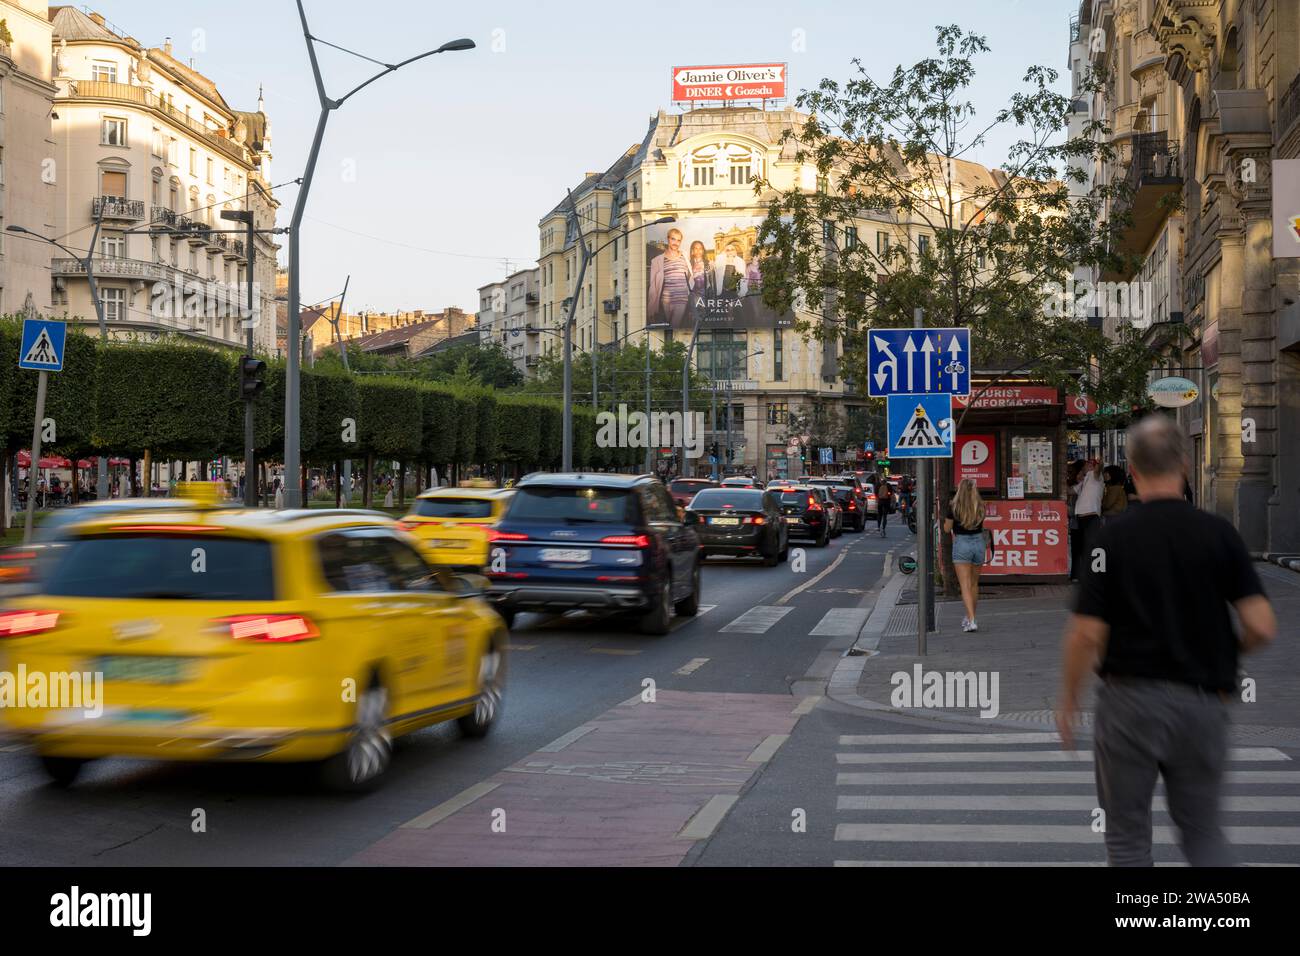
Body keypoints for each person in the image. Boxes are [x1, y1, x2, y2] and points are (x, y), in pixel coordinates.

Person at [1057, 415, 1276, 866]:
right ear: (1185, 466)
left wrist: (1068, 699)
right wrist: (1220, 657)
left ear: (1133, 470)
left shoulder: (1110, 539)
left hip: (1128, 703)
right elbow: (1262, 625)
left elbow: (1086, 632)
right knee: (1202, 833)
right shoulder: (1219, 534)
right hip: (1201, 702)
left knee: (1127, 840)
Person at [944, 478, 987, 632]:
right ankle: (970, 617)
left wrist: (946, 523)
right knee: (974, 584)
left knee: (965, 585)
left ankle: (972, 620)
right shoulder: (981, 506)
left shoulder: (954, 507)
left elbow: (947, 529)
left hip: (962, 544)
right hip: (978, 543)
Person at [646, 227, 692, 328]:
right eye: (673, 239)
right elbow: (653, 286)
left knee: (675, 325)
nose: (676, 243)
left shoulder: (685, 256)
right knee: (668, 328)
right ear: (668, 239)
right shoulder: (657, 261)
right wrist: (651, 308)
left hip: (682, 298)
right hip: (666, 299)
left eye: (678, 240)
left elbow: (691, 276)